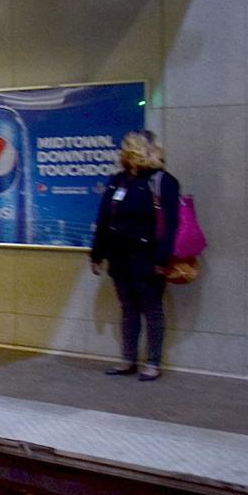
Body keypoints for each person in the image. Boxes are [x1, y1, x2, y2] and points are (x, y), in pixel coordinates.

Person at [90, 130, 178, 380]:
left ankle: (153, 363)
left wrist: (162, 259)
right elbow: (104, 219)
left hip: (147, 257)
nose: (124, 151)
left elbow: (171, 224)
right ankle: (128, 359)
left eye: (127, 146)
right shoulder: (119, 180)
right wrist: (97, 254)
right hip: (120, 256)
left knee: (152, 309)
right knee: (128, 308)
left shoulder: (162, 181)